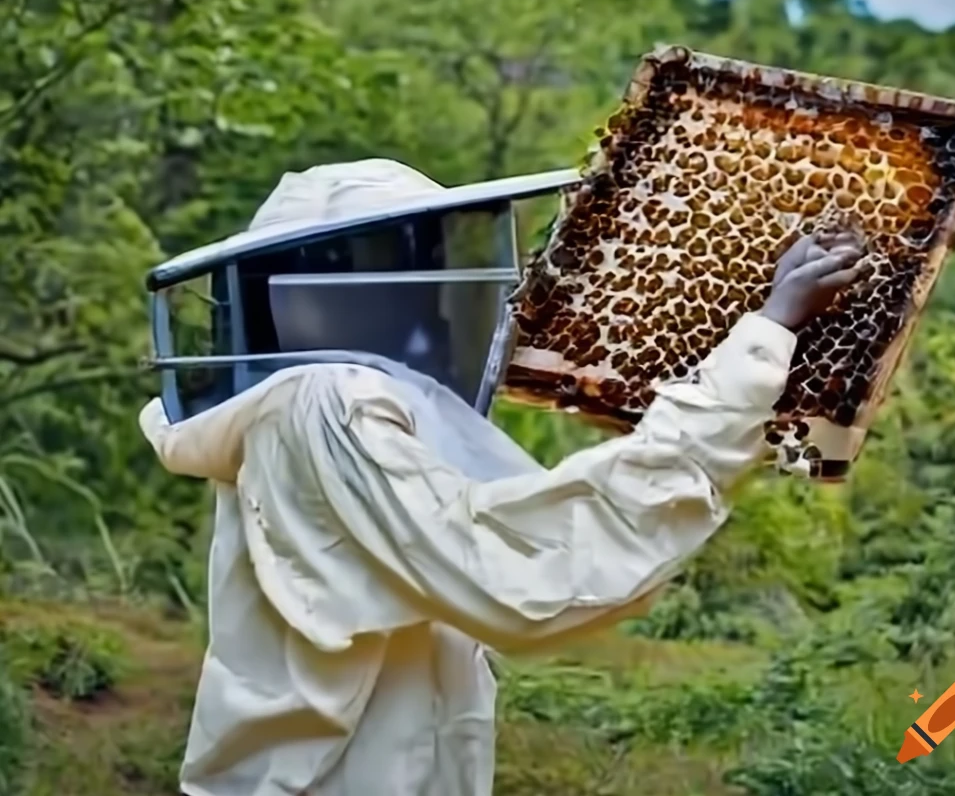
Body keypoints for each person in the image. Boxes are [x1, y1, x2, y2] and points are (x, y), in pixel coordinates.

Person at [138, 159, 864, 796]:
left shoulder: (310, 412)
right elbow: (524, 571)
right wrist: (763, 338)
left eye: (428, 260)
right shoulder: (325, 408)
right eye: (401, 265)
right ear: (319, 287)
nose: (427, 296)